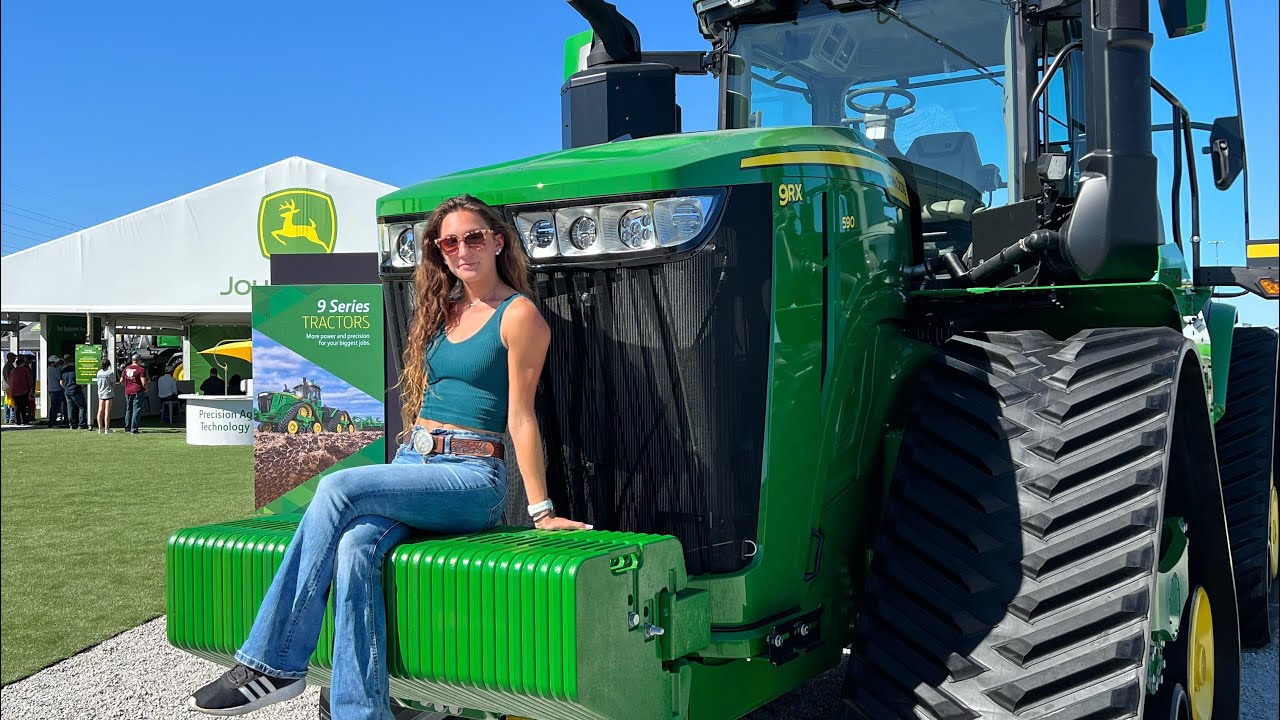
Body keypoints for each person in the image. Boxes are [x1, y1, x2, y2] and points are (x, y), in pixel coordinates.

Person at [188, 195, 591, 718]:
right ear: (440, 253)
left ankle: (274, 662)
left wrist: (540, 512)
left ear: (497, 241)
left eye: (473, 237)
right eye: (450, 241)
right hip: (414, 464)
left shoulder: (520, 316)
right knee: (356, 546)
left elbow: (520, 418)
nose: (462, 249)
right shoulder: (444, 310)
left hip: (472, 478)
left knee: (336, 487)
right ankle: (362, 711)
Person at [120, 353, 148, 434]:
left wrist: (127, 386)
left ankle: (127, 427)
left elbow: (121, 380)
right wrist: (146, 389)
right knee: (137, 410)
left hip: (128, 391)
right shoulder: (141, 369)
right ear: (138, 361)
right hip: (137, 391)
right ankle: (134, 428)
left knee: (129, 409)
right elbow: (143, 382)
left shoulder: (126, 369)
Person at [60, 358, 89, 430]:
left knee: (70, 408)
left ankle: (72, 424)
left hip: (67, 391)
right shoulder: (76, 370)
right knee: (82, 407)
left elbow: (61, 382)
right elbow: (81, 381)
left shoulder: (63, 370)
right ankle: (82, 424)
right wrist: (81, 387)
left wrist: (66, 388)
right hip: (75, 390)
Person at [7, 355, 35, 425]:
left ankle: (17, 420)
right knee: (23, 406)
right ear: (22, 363)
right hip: (23, 390)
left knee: (17, 406)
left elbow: (9, 380)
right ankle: (24, 420)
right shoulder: (25, 370)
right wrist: (31, 389)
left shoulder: (13, 371)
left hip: (14, 391)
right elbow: (29, 380)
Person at [95, 360, 117, 433]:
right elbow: (113, 383)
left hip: (100, 392)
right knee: (107, 410)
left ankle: (100, 428)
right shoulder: (109, 373)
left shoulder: (99, 372)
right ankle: (107, 428)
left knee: (100, 410)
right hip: (108, 392)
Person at [46, 356, 65, 427]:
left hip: (51, 389)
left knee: (54, 406)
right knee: (55, 407)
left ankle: (52, 421)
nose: (57, 363)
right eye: (56, 362)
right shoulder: (54, 370)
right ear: (52, 363)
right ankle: (52, 422)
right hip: (56, 390)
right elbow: (60, 378)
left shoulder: (49, 369)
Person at [2, 352, 14, 424]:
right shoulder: (8, 366)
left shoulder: (9, 365)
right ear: (9, 357)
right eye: (13, 357)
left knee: (9, 401)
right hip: (8, 387)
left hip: (7, 386)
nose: (15, 359)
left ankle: (9, 417)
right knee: (8, 402)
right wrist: (10, 385)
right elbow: (7, 376)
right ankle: (9, 417)